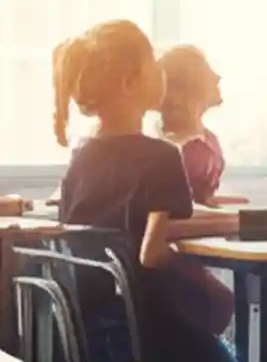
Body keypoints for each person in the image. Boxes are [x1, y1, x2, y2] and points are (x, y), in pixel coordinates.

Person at [54, 20, 231, 362]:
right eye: (154, 63)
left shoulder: (82, 156)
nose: (162, 72)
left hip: (94, 326)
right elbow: (151, 251)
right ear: (129, 83)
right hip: (154, 329)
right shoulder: (161, 155)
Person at [158, 45, 245, 206]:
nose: (217, 77)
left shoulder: (209, 140)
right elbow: (171, 211)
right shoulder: (171, 149)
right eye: (205, 70)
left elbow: (201, 201)